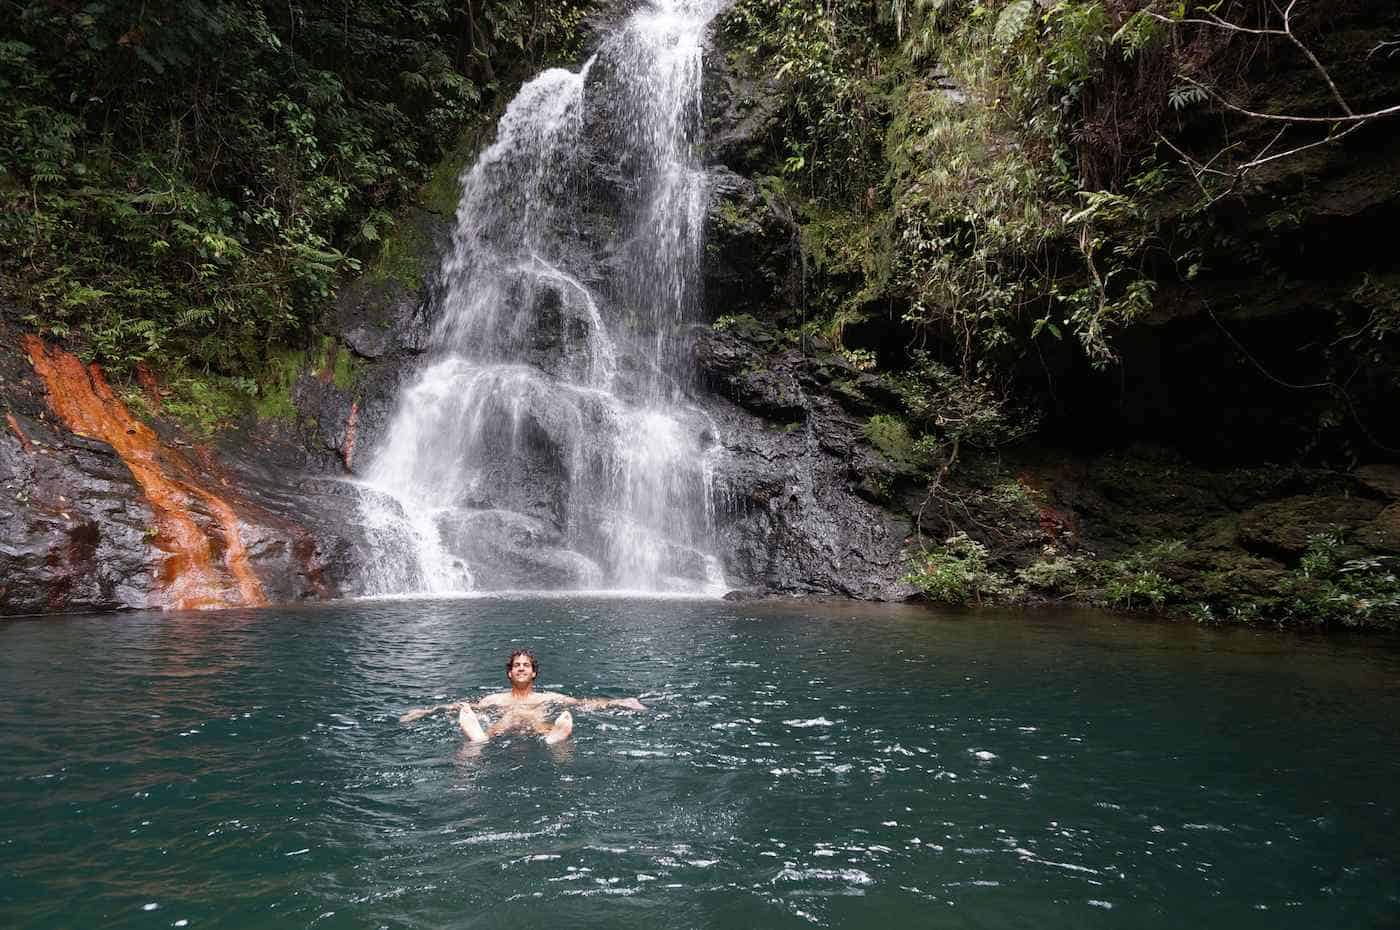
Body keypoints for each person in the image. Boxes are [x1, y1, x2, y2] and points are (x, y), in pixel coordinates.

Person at [398, 648, 646, 745]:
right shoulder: (494, 700)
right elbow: (461, 706)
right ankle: (480, 738)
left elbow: (584, 703)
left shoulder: (549, 697)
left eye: (526, 665)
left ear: (534, 672)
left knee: (525, 715)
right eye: (516, 665)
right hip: (503, 725)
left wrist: (619, 702)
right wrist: (427, 711)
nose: (520, 668)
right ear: (509, 672)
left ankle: (553, 738)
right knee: (510, 715)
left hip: (534, 724)